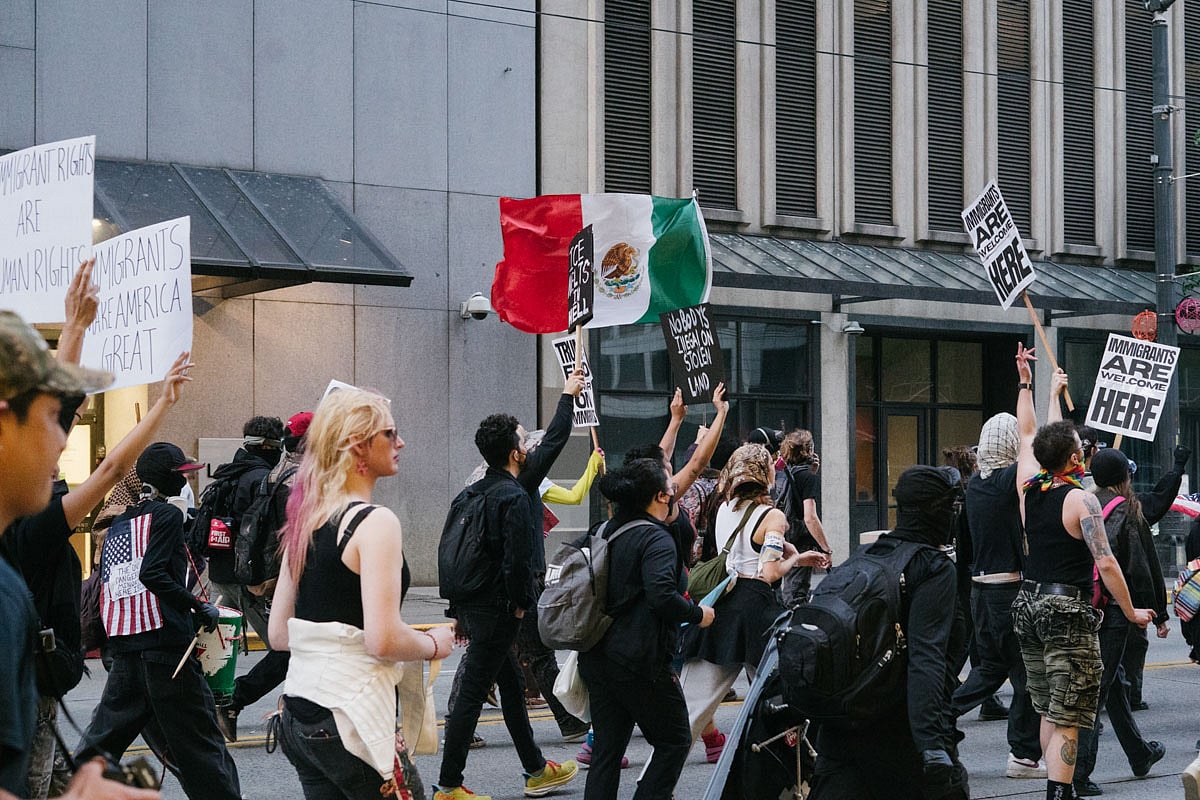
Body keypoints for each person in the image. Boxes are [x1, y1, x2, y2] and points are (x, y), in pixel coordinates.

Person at [5, 349, 192, 799]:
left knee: (53, 783)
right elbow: (111, 469)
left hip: (43, 677)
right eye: (52, 425)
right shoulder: (30, 530)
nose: (62, 444)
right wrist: (163, 403)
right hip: (37, 682)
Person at [268, 388, 452, 799]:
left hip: (299, 713)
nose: (400, 442)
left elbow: (279, 634)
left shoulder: (307, 519)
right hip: (352, 716)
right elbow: (382, 639)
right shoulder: (375, 523)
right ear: (358, 447)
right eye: (390, 433)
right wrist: (433, 642)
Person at [1011, 342, 1155, 800]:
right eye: (1080, 447)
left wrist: (1030, 384)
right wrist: (1131, 613)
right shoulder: (1082, 500)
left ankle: (1062, 789)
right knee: (1070, 712)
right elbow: (1106, 562)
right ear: (1074, 460)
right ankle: (1059, 792)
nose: (1086, 450)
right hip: (1064, 610)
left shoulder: (1028, 488)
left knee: (1049, 708)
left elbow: (1027, 434)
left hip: (1028, 606)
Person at [76, 442, 241, 800]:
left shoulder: (121, 521)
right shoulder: (166, 516)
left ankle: (65, 790)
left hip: (127, 647)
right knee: (202, 747)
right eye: (182, 475)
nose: (185, 482)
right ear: (172, 479)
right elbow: (153, 574)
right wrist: (199, 608)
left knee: (102, 744)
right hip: (166, 648)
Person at [434, 413, 579, 800]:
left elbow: (449, 552)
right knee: (470, 695)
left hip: (474, 604)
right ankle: (448, 786)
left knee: (513, 686)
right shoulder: (513, 497)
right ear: (516, 454)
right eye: (524, 441)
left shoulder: (470, 492)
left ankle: (535, 769)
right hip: (498, 609)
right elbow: (516, 562)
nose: (530, 447)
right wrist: (519, 606)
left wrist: (458, 609)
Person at [808, 465, 969, 800]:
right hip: (900, 733)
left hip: (842, 729)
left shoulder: (863, 557)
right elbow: (927, 660)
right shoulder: (933, 568)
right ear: (938, 512)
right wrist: (932, 745)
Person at [679, 443, 828, 756]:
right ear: (767, 476)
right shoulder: (773, 516)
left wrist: (796, 558)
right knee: (778, 705)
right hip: (757, 613)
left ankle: (654, 785)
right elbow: (770, 574)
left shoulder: (722, 509)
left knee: (689, 715)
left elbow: (742, 556)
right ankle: (795, 770)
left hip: (721, 608)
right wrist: (793, 561)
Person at [579, 458, 715, 799]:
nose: (675, 496)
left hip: (596, 655)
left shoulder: (601, 530)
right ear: (658, 497)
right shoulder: (655, 539)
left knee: (606, 752)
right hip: (640, 660)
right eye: (672, 491)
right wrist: (698, 614)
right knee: (674, 740)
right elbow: (662, 596)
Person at [951, 395, 1064, 778]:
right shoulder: (1008, 480)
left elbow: (964, 548)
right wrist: (1041, 395)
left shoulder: (974, 488)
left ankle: (938, 716)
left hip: (980, 591)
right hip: (1012, 590)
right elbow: (1035, 444)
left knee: (989, 669)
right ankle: (1023, 755)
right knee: (1028, 676)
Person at [1071, 448, 1169, 796]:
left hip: (1083, 604)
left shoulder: (1082, 503)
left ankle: (1140, 754)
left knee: (1111, 685)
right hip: (1113, 610)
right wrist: (1156, 612)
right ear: (1124, 478)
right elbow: (1143, 567)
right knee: (1098, 691)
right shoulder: (1128, 510)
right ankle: (1079, 773)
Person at [215, 411, 311, 742]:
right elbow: (291, 537)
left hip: (234, 572)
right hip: (267, 579)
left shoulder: (266, 474)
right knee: (289, 651)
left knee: (289, 650)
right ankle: (231, 701)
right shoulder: (288, 479)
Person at [775, 428, 831, 605]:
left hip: (778, 535)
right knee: (795, 594)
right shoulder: (807, 477)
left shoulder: (779, 473)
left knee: (777, 590)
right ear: (809, 450)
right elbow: (810, 517)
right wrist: (826, 549)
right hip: (798, 540)